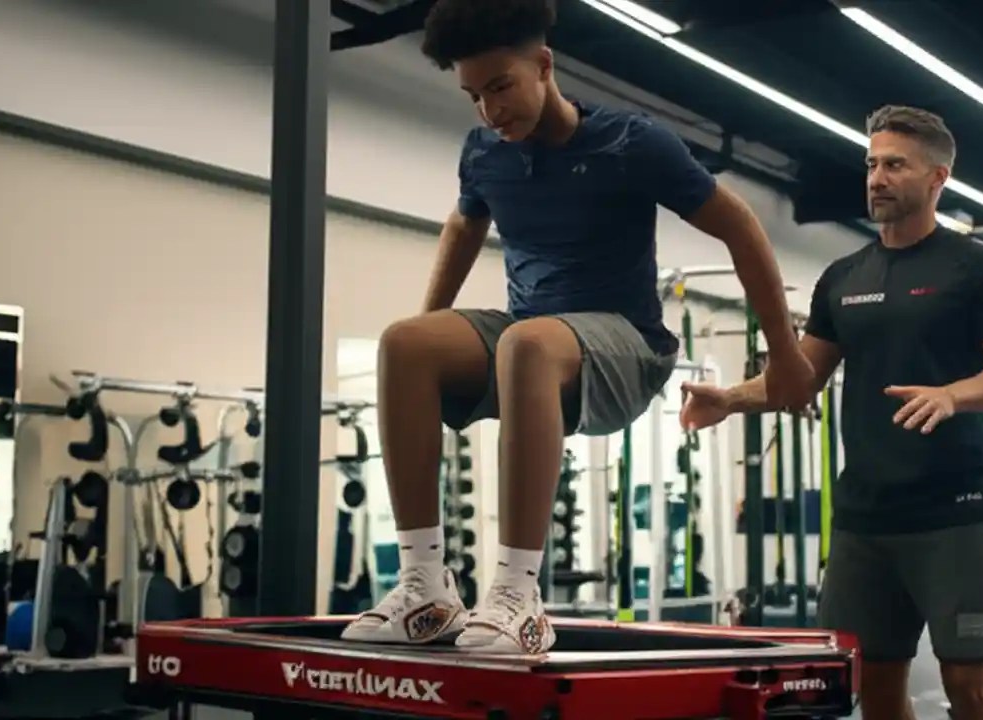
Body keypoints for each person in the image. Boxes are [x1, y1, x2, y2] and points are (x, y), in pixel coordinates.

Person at [340, 0, 814, 655]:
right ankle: (425, 586)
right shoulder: (483, 151)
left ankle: (517, 594)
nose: (489, 110)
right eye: (473, 95)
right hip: (532, 343)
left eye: (501, 87)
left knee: (525, 342)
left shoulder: (632, 141)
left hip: (626, 349)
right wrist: (432, 329)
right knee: (404, 343)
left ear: (543, 64)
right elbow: (462, 225)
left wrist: (783, 356)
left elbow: (742, 227)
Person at [680, 105, 983, 720]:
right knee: (869, 681)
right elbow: (800, 379)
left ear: (937, 177)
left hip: (952, 514)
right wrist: (731, 399)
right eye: (872, 163)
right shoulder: (843, 278)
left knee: (969, 684)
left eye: (895, 165)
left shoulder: (980, 271)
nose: (876, 177)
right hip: (863, 519)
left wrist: (953, 394)